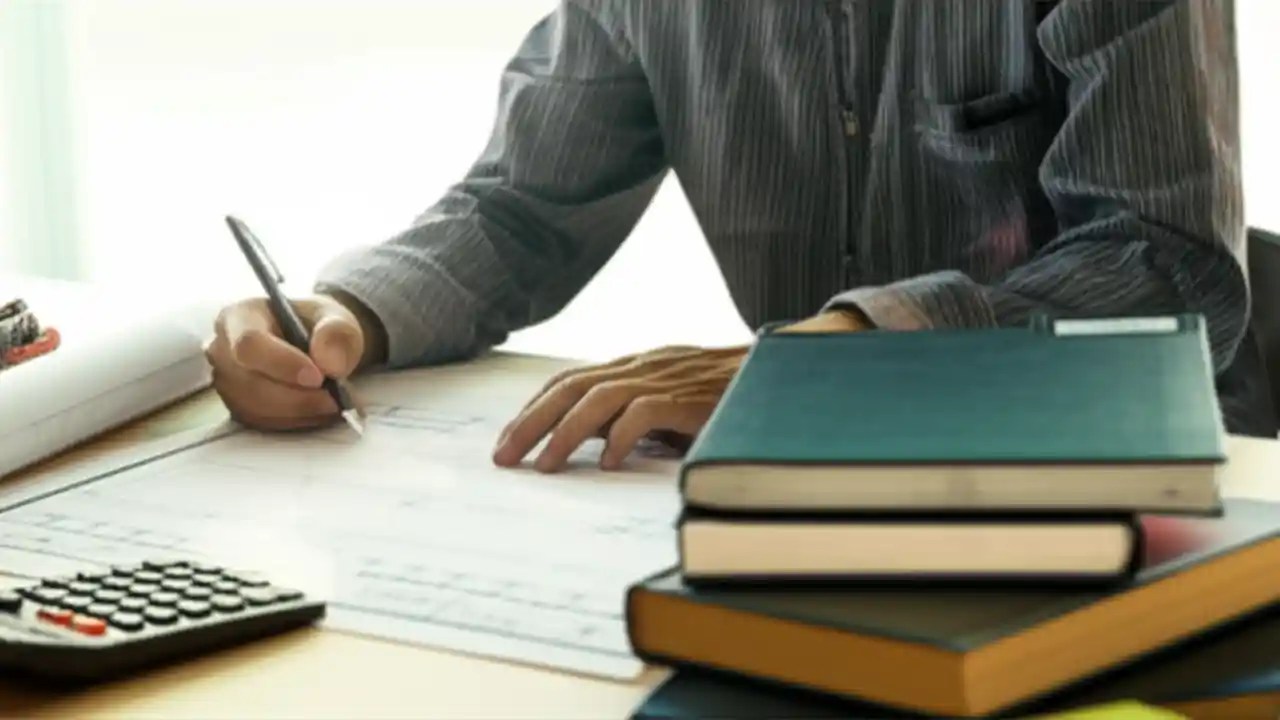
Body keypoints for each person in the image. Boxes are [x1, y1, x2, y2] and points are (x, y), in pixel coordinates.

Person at [205, 0, 1278, 471]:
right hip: (808, 496)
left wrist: (828, 362)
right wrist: (346, 317)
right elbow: (520, 211)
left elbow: (1160, 262)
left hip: (1147, 475)